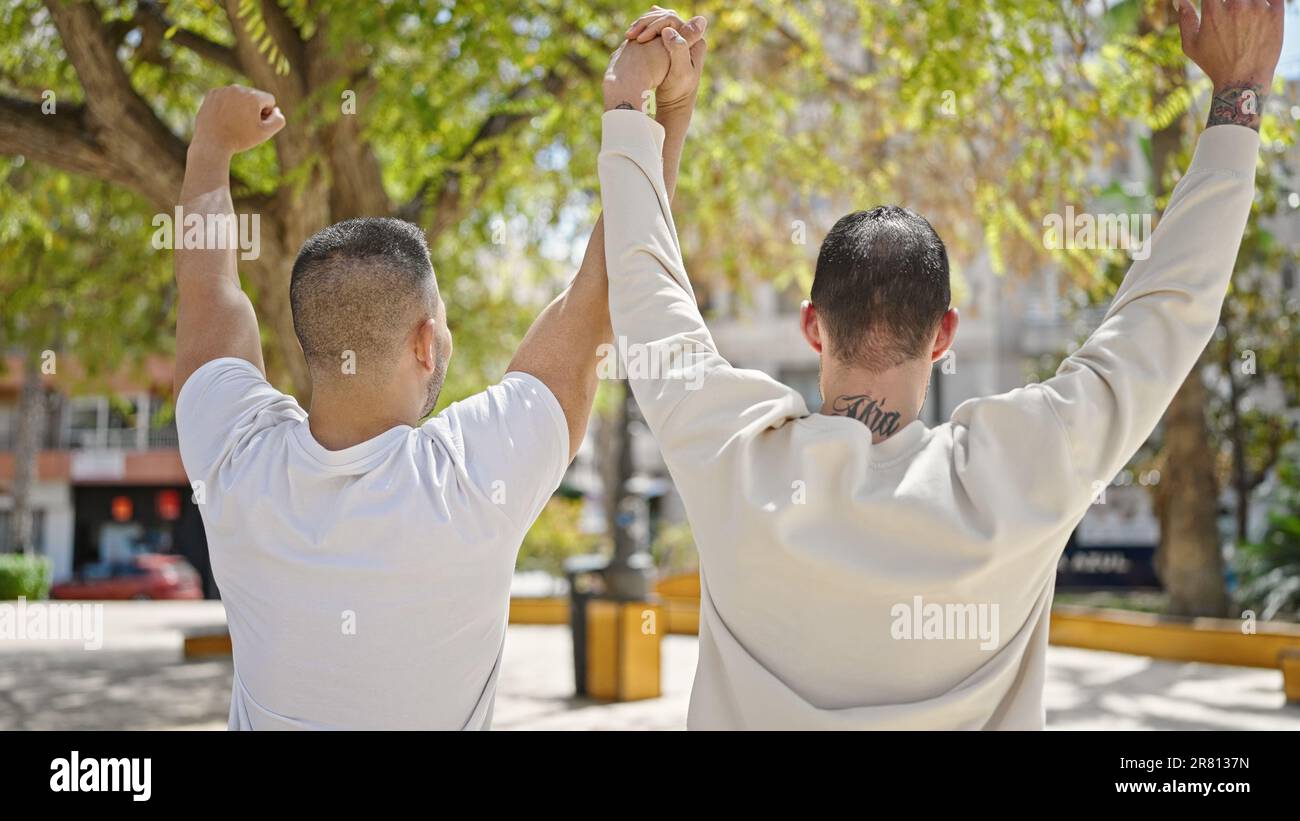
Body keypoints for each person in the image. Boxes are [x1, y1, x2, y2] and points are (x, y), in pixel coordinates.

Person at [599, 1, 1284, 728]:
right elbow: (1165, 315)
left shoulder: (732, 460)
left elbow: (645, 288)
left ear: (811, 326)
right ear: (943, 335)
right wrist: (1239, 93)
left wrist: (633, 105)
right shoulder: (1023, 470)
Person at [171, 13, 707, 729]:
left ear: (311, 342)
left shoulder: (235, 462)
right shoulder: (469, 477)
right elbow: (604, 292)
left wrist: (210, 149)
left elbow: (210, 293)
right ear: (428, 342)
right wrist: (654, 109)